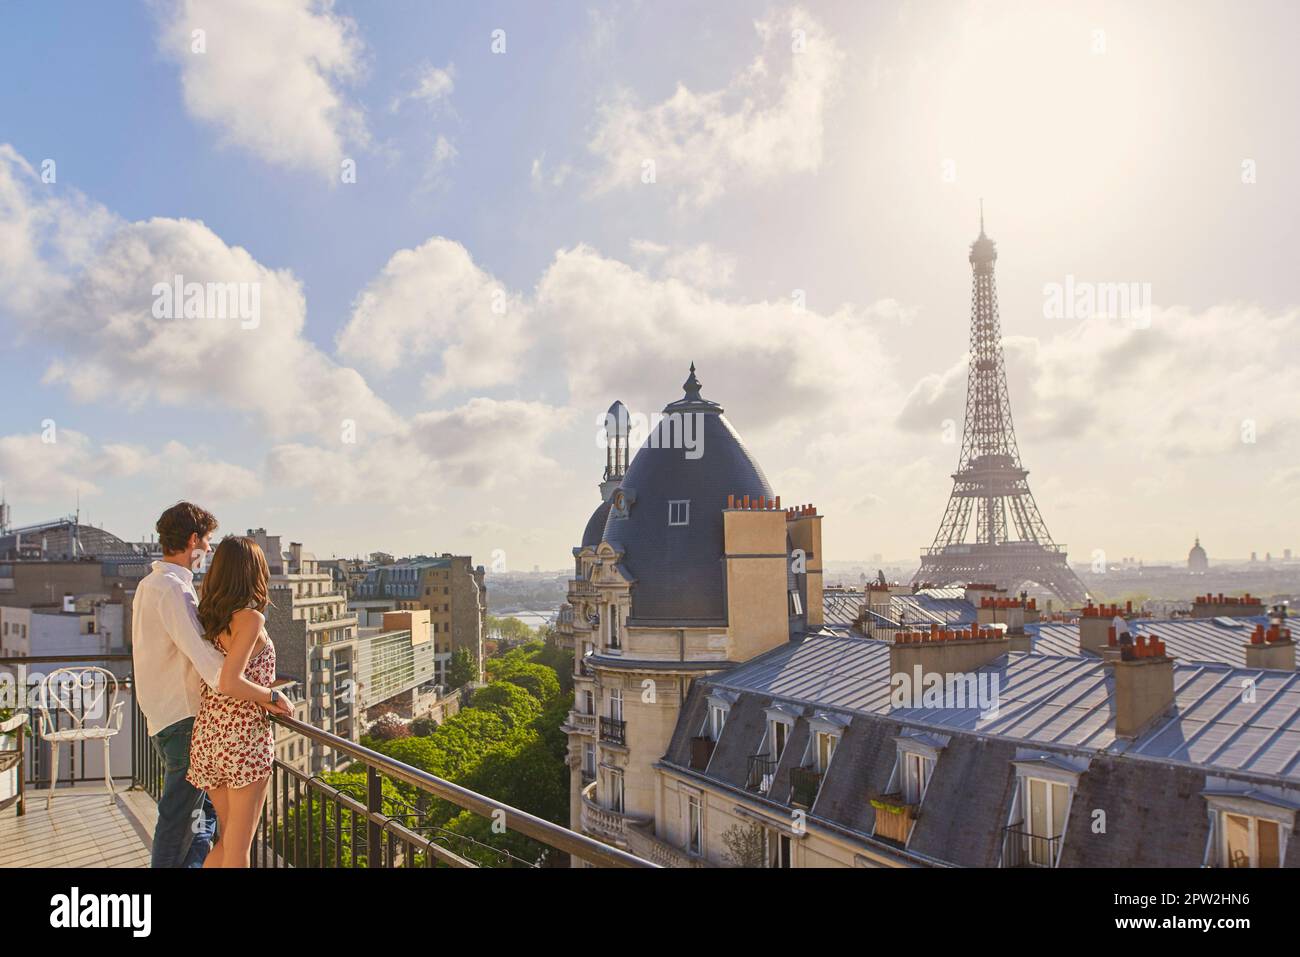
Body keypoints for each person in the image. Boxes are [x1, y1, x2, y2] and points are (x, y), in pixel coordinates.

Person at [131, 503, 290, 868]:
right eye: (207, 541)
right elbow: (218, 674)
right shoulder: (174, 590)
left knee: (202, 827)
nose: (208, 551)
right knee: (181, 821)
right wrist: (269, 695)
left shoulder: (151, 585)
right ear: (193, 540)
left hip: (184, 723)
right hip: (192, 720)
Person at [187, 536, 286, 868]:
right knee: (240, 850)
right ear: (253, 572)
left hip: (210, 735)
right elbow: (231, 681)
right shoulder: (250, 619)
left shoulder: (212, 618)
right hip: (242, 737)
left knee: (230, 842)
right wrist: (271, 696)